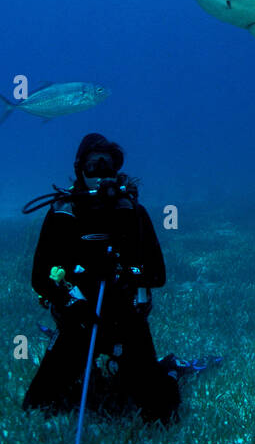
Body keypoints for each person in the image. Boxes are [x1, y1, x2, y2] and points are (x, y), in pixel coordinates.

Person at [22, 133, 181, 424]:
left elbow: (157, 274)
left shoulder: (131, 211)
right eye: (93, 164)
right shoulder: (62, 213)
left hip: (124, 319)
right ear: (79, 168)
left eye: (107, 164)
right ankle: (86, 365)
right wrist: (71, 301)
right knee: (35, 404)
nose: (101, 172)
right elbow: (39, 278)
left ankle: (169, 368)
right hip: (77, 320)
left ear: (117, 169)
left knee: (162, 413)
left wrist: (123, 273)